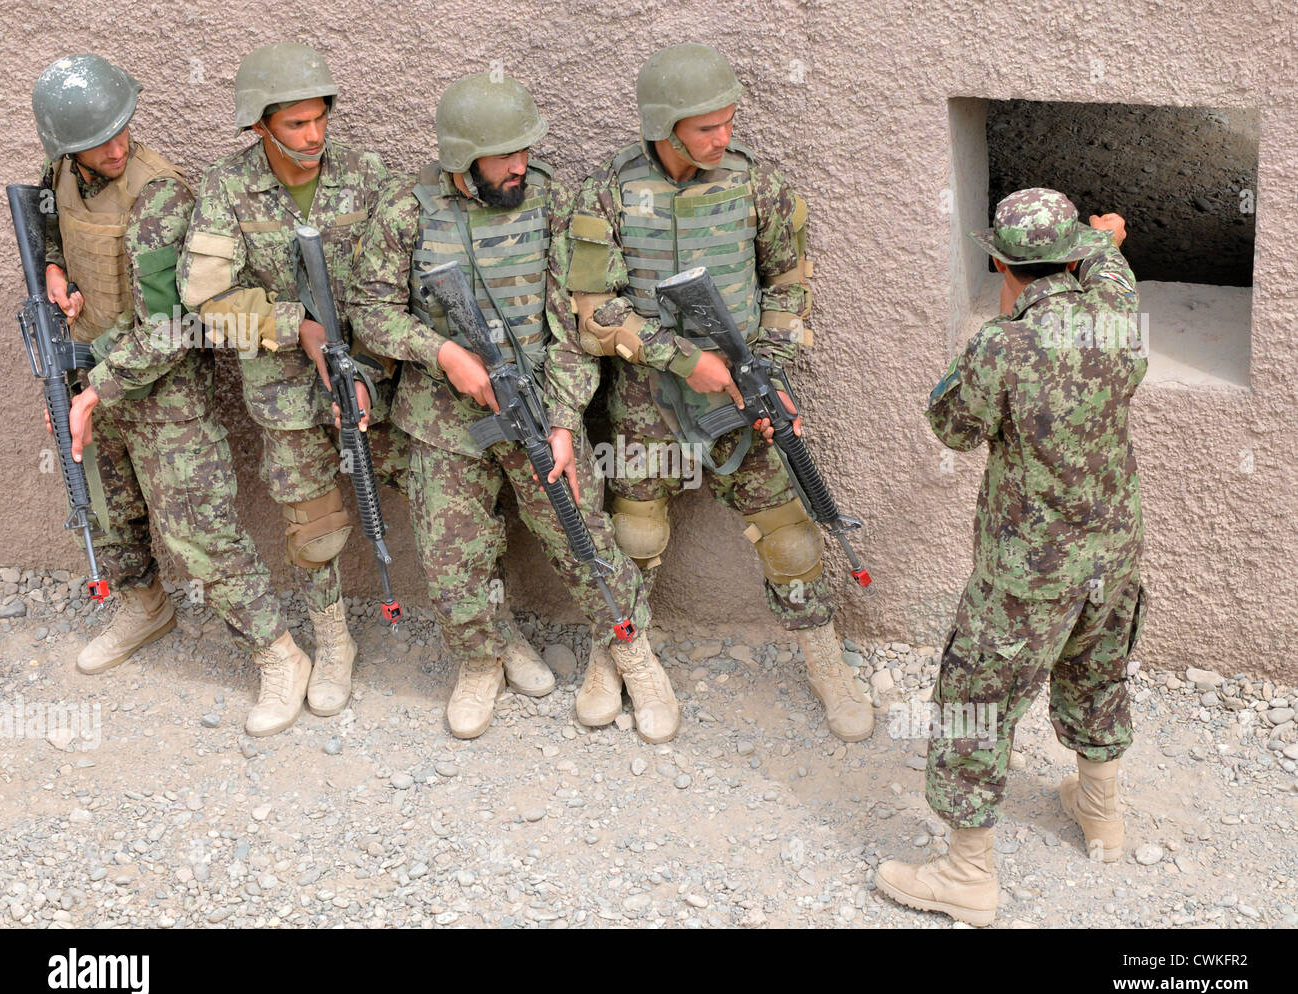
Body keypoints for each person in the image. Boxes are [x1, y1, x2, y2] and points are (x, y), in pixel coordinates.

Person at [349, 73, 674, 741]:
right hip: (445, 424)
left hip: (538, 407)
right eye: (504, 157)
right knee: (452, 560)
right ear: (462, 161)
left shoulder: (552, 203)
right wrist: (443, 353)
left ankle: (631, 651)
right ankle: (481, 659)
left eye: (525, 151)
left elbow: (576, 327)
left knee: (582, 539)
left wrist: (561, 421)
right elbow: (370, 313)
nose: (519, 166)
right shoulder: (406, 214)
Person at [563, 42, 872, 743]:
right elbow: (590, 310)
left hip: (740, 392)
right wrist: (679, 358)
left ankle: (821, 651)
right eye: (707, 128)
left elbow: (789, 284)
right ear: (663, 127)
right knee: (635, 534)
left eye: (729, 122)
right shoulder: (605, 194)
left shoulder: (757, 185)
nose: (723, 138)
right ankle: (617, 646)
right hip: (646, 401)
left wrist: (763, 369)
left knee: (791, 538)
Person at [877, 189, 1146, 926]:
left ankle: (966, 877)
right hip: (1112, 556)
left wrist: (988, 342)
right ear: (1072, 254)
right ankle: (1101, 816)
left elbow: (953, 427)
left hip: (1027, 577)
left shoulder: (1002, 348)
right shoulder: (1119, 314)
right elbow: (1108, 259)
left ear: (998, 258)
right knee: (1097, 669)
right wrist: (1102, 239)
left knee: (974, 706)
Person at [31, 54, 296, 734]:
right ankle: (145, 605)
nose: (117, 149)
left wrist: (97, 391)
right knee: (105, 503)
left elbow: (176, 325)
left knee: (197, 528)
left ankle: (278, 652)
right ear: (67, 150)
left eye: (124, 131)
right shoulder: (61, 170)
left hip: (164, 390)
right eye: (99, 143)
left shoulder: (161, 196)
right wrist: (56, 269)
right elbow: (41, 220)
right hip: (90, 368)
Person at [179, 43, 406, 735]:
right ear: (259, 128)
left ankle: (484, 635)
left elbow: (397, 279)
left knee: (437, 493)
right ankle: (332, 639)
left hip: (379, 374)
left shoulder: (368, 177)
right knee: (312, 526)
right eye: (296, 126)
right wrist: (294, 326)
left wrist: (358, 368)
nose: (313, 138)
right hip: (283, 391)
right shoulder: (225, 189)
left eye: (320, 121)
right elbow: (206, 301)